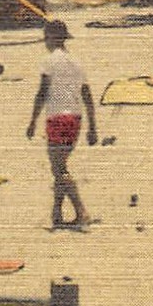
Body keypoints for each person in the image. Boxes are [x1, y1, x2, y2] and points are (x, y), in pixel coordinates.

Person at [26, 19, 97, 230]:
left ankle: (81, 211)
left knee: (58, 168)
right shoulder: (77, 63)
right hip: (75, 118)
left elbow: (42, 92)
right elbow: (87, 96)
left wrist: (32, 121)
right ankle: (56, 213)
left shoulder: (49, 61)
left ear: (50, 38)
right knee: (59, 166)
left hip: (57, 118)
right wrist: (93, 127)